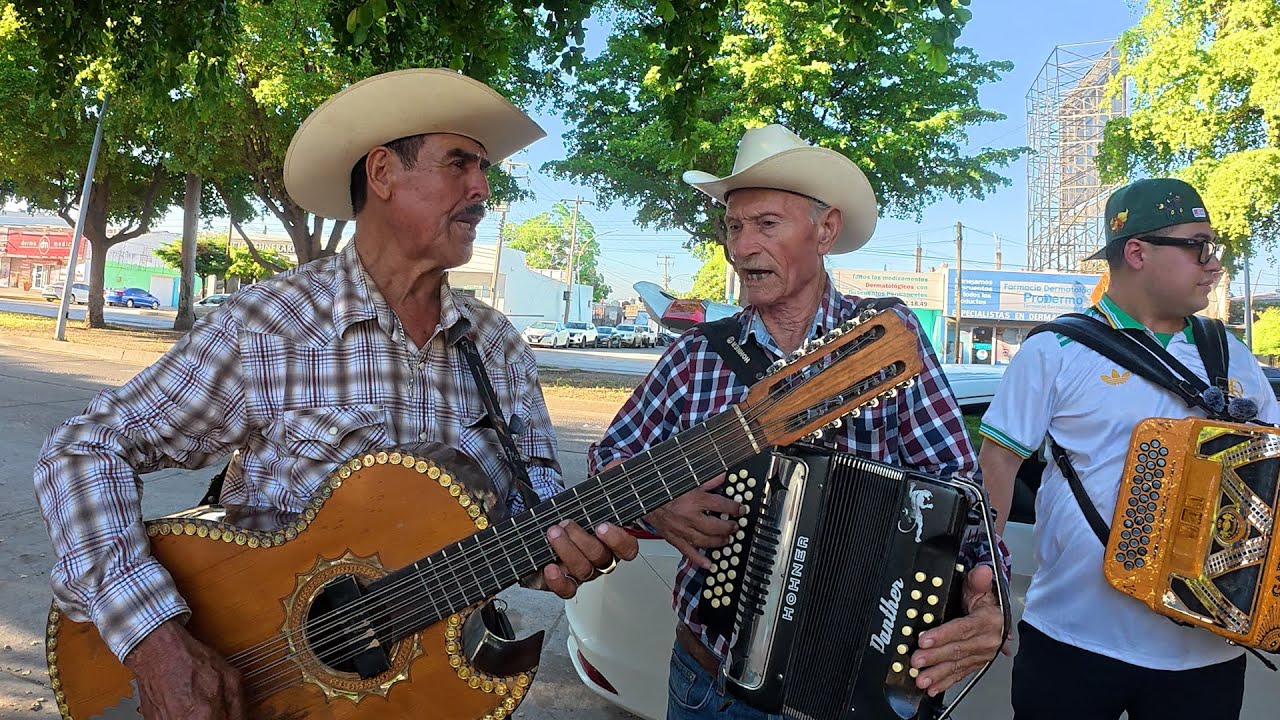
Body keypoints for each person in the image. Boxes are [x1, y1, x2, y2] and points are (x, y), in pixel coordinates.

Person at [33, 68, 637, 719]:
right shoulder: (267, 326)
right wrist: (153, 642)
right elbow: (82, 450)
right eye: (459, 163)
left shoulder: (499, 349)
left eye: (484, 170)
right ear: (382, 173)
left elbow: (533, 512)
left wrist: (568, 547)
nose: (482, 190)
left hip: (432, 694)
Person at [588, 124, 1010, 720]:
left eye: (766, 224)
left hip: (850, 689)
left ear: (826, 230)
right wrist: (656, 504)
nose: (741, 247)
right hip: (712, 683)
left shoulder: (885, 341)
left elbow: (959, 485)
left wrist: (988, 601)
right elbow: (609, 461)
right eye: (734, 227)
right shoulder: (697, 355)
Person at [978, 177, 1280, 720]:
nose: (1214, 265)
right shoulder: (1056, 349)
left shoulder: (1229, 352)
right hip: (1071, 639)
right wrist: (981, 571)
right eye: (1198, 246)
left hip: (1207, 646)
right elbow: (999, 462)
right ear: (1137, 252)